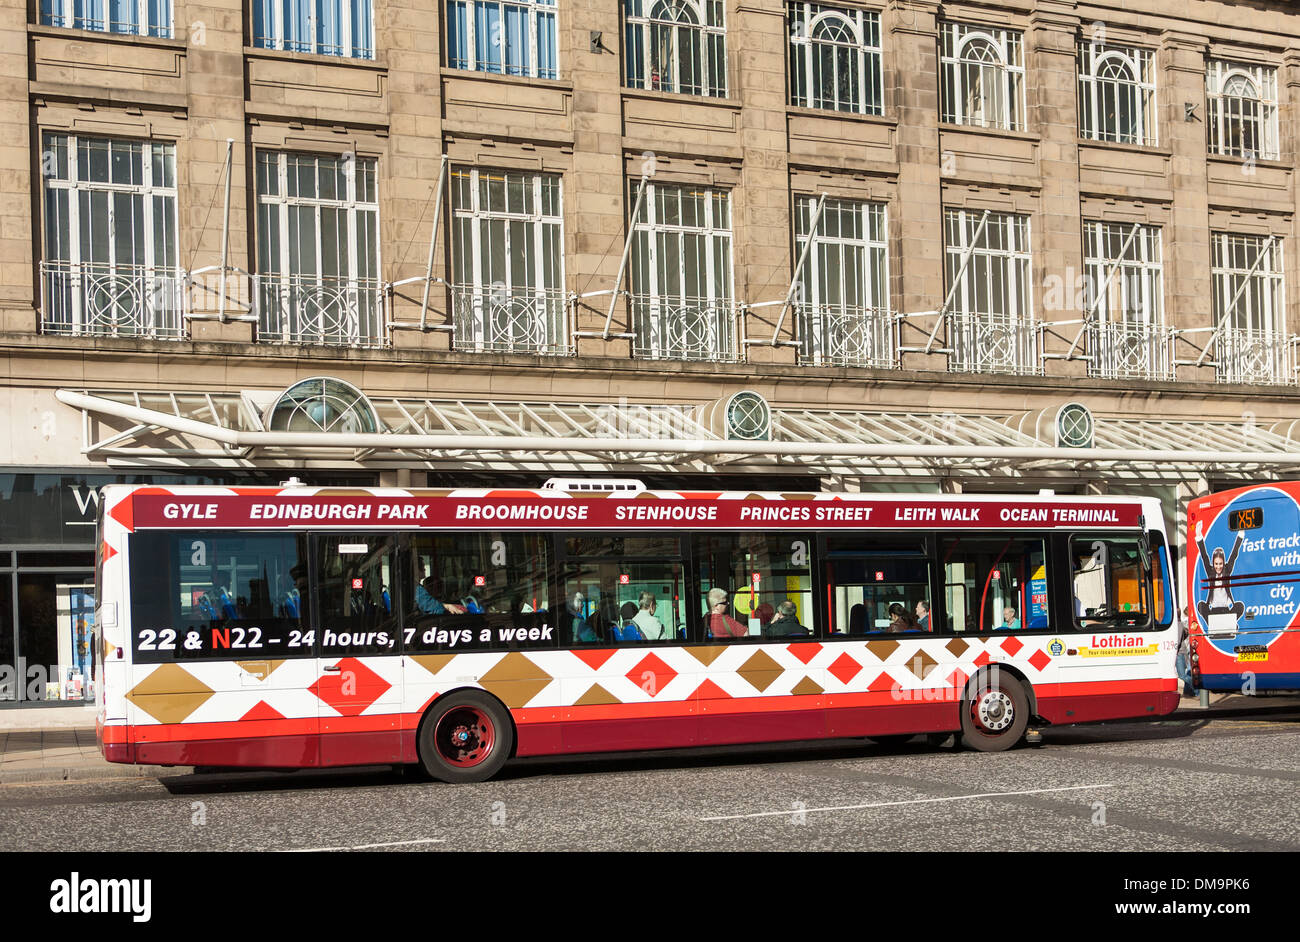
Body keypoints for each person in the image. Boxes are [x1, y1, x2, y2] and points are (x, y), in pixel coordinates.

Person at [1194, 519, 1245, 623]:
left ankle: (1229, 623)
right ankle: (1213, 623)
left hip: (1226, 610)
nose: (1218, 567)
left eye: (1220, 564)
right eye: (1216, 564)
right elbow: (1204, 556)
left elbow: (1234, 554)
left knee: (1240, 606)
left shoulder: (1227, 571)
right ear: (1213, 563)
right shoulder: (1210, 572)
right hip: (1213, 612)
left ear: (1224, 563)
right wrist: (1199, 535)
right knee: (1200, 605)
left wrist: (1240, 534)